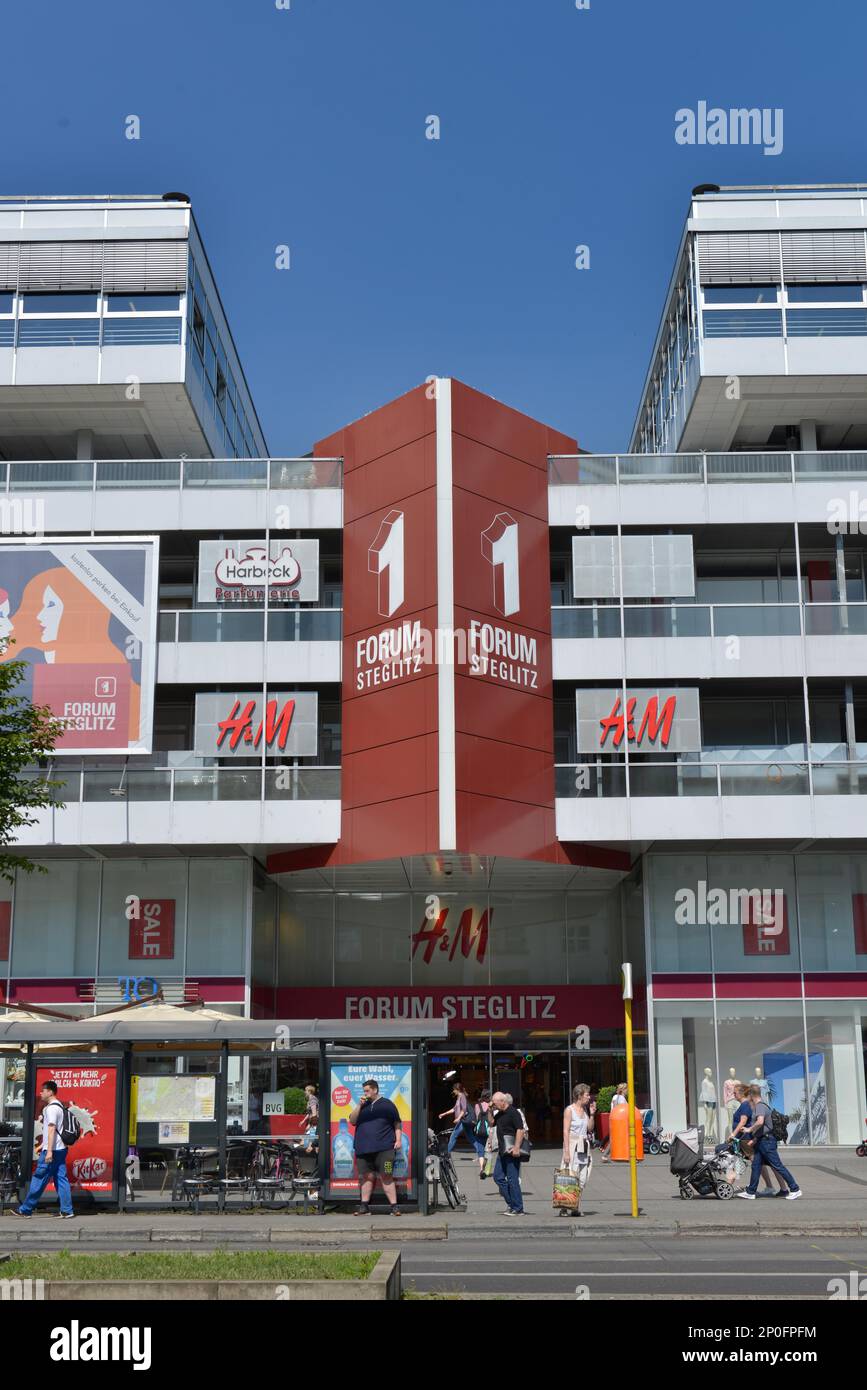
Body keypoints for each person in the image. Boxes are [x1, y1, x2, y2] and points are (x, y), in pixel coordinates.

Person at [14, 1080, 74, 1219]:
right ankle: (67, 1210)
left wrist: (49, 1151)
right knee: (61, 1179)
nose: (40, 1093)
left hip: (52, 1150)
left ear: (50, 1092)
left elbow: (52, 1129)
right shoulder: (59, 1106)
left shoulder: (51, 1108)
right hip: (61, 1148)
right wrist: (42, 1145)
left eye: (43, 1090)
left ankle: (26, 1209)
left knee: (39, 1178)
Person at [736, 1085, 801, 1201]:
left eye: (748, 1096)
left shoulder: (760, 1106)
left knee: (778, 1166)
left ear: (751, 1095)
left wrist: (749, 1129)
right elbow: (765, 1126)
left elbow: (760, 1122)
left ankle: (795, 1189)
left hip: (767, 1142)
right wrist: (754, 1139)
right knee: (756, 1165)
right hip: (762, 1141)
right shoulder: (762, 1106)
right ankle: (751, 1192)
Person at [349, 1078, 403, 1217]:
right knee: (366, 1177)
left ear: (375, 1090)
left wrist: (398, 1140)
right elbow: (352, 1121)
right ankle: (364, 1207)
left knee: (387, 1175)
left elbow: (397, 1123)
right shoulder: (362, 1105)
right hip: (363, 1149)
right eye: (364, 1091)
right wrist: (359, 1106)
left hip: (386, 1149)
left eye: (367, 1091)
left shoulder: (387, 1105)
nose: (365, 1093)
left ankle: (394, 1207)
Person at [729, 1082, 787, 1196]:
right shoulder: (746, 1105)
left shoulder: (746, 1105)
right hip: (746, 1139)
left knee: (761, 1163)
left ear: (741, 1094)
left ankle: (730, 1186)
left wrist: (733, 1134)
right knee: (761, 1164)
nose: (733, 1095)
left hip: (745, 1139)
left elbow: (744, 1121)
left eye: (735, 1093)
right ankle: (774, 1187)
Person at [560, 1083, 596, 1217]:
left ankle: (574, 1205)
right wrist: (566, 1151)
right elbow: (565, 1131)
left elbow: (590, 1128)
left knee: (582, 1177)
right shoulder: (569, 1110)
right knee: (569, 1176)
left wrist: (592, 1115)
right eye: (587, 1094)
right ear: (579, 1095)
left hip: (583, 1146)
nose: (589, 1097)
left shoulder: (585, 1110)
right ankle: (564, 1206)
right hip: (573, 1145)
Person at [490, 1090, 525, 1215]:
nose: (493, 1105)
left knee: (512, 1179)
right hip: (502, 1150)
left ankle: (518, 1208)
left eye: (495, 1103)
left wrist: (516, 1148)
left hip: (511, 1150)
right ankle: (512, 1203)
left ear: (502, 1101)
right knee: (498, 1177)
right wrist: (490, 1110)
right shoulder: (500, 1113)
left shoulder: (513, 1112)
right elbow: (491, 1123)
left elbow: (520, 1130)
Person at [440, 1082, 485, 1161]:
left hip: (463, 1120)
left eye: (454, 1090)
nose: (453, 1091)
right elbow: (454, 1109)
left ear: (457, 1090)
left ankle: (446, 1155)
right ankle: (481, 1154)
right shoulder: (459, 1097)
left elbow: (464, 1110)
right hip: (464, 1120)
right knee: (471, 1138)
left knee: (453, 1136)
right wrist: (444, 1114)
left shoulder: (462, 1097)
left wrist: (458, 1118)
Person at [600, 1082, 628, 1161]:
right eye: (626, 1089)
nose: (628, 1090)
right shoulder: (622, 1099)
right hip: (620, 1121)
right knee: (621, 1138)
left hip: (613, 1119)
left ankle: (605, 1155)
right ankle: (629, 1156)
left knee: (614, 1138)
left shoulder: (615, 1097)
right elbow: (623, 1110)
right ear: (623, 1090)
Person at [474, 1089, 493, 1178]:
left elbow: (477, 1117)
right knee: (488, 1150)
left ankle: (481, 1168)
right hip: (488, 1130)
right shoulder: (491, 1105)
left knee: (480, 1150)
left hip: (479, 1130)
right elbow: (492, 1119)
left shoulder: (477, 1105)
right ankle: (487, 1170)